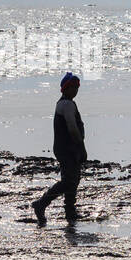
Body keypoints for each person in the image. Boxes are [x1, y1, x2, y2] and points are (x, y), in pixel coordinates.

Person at [33, 72, 87, 227]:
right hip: (67, 149)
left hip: (67, 148)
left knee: (73, 180)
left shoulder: (67, 103)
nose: (76, 90)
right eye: (73, 87)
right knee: (68, 181)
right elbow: (72, 128)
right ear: (66, 88)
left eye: (77, 87)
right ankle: (41, 204)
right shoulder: (66, 105)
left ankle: (70, 211)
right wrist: (81, 147)